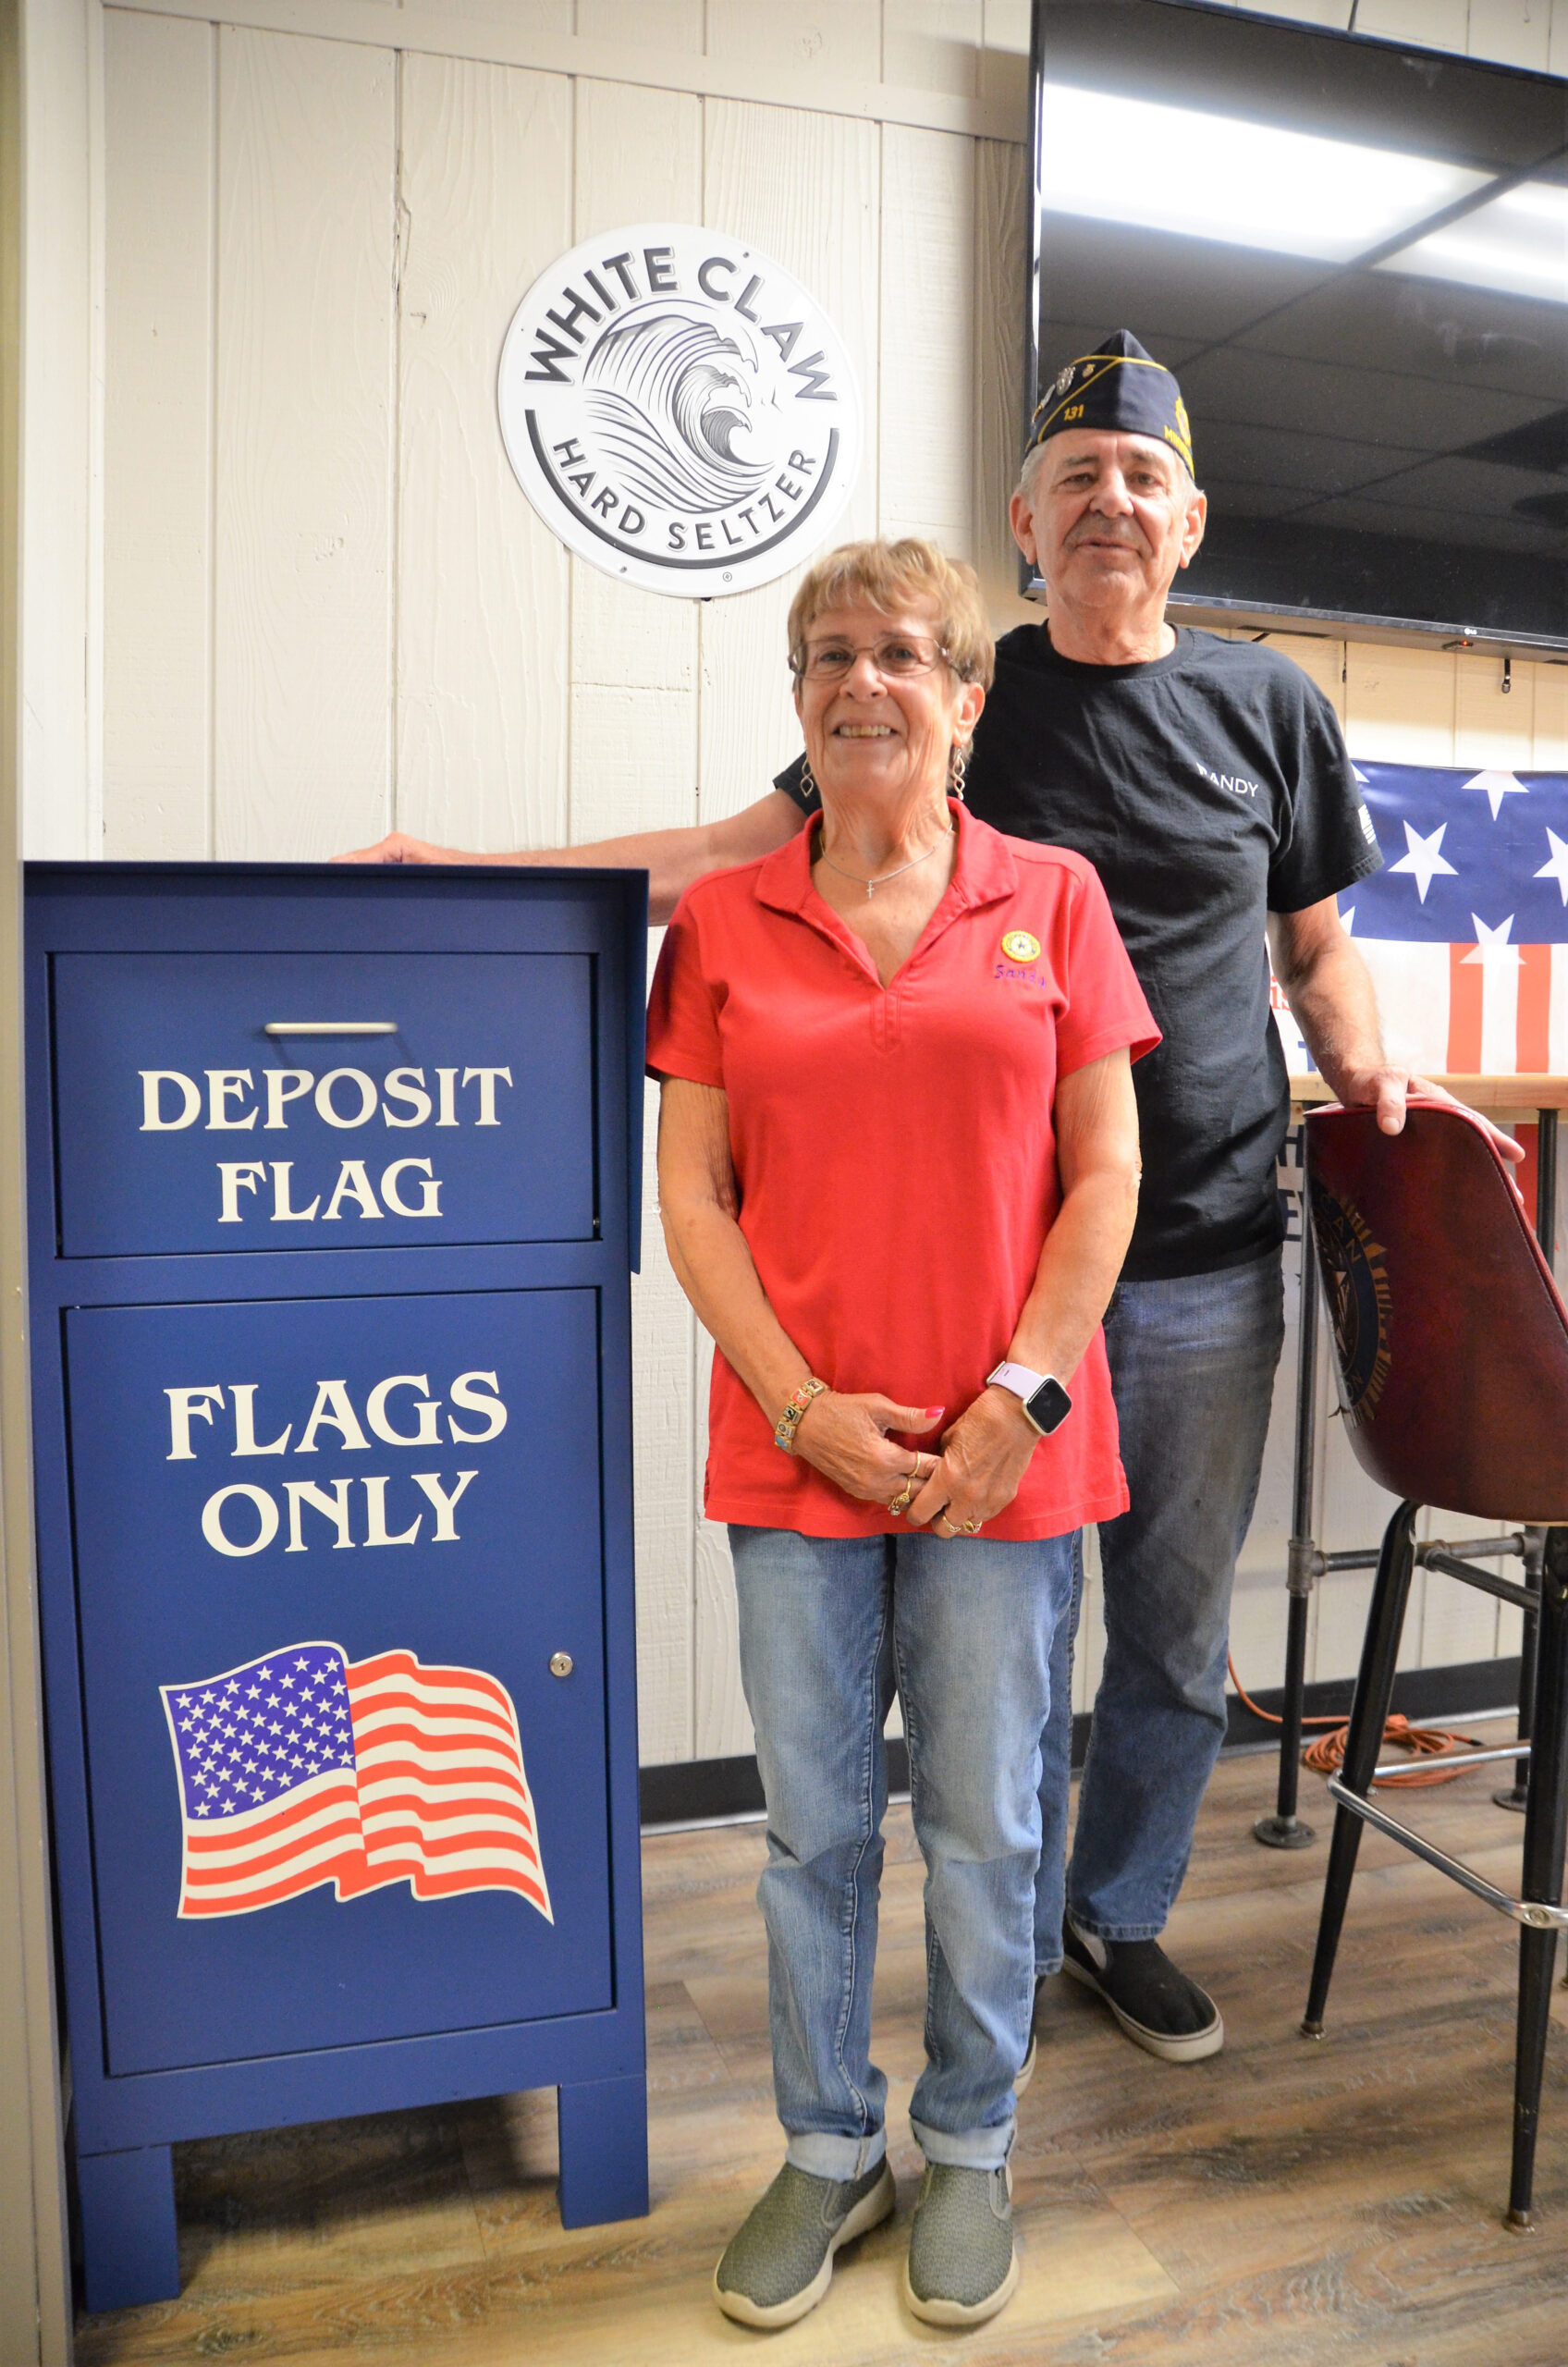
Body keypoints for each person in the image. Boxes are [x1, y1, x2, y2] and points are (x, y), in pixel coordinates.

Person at [339, 328, 1518, 2070]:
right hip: (989, 1267)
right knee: (1006, 1646)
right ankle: (1016, 1934)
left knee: (1177, 1631)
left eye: (1141, 480)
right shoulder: (953, 688)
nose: (1108, 503)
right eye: (1074, 482)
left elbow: (1317, 951)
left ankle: (1118, 1914)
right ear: (1026, 533)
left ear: (1189, 523)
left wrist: (1380, 1078)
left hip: (1193, 1251)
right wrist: (476, 880)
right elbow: (726, 860)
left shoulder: (1269, 706)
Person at [645, 535, 1157, 2329]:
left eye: (898, 654)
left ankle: (969, 2141)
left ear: (963, 695)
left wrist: (1017, 1396)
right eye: (827, 655)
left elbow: (1105, 1172)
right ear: (797, 696)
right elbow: (690, 1199)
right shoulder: (722, 921)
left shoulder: (1053, 898)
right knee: (809, 1833)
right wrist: (797, 1401)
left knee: (986, 1825)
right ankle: (823, 2142)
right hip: (794, 1454)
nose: (861, 680)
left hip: (1002, 1457)